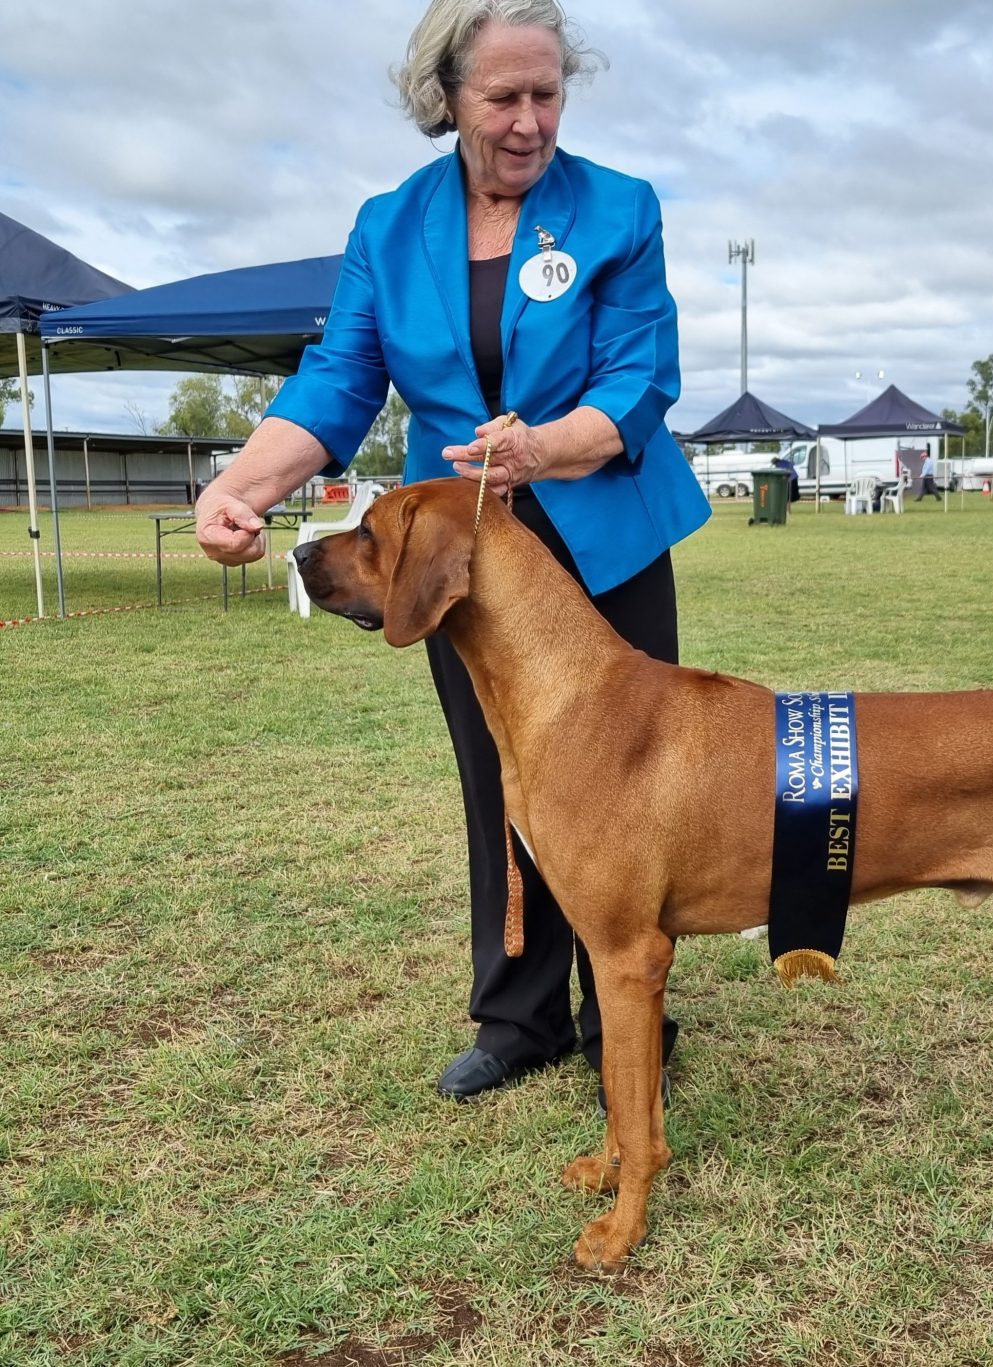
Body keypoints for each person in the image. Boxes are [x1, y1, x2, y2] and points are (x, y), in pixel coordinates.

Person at [194, 0, 709, 1105]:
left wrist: (541, 447)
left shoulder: (619, 208)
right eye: (503, 97)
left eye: (548, 94)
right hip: (457, 564)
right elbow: (338, 379)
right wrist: (239, 484)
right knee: (504, 782)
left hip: (604, 537)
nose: (530, 122)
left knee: (628, 783)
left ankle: (625, 1007)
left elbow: (639, 380)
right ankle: (517, 1016)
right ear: (446, 99)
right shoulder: (390, 226)